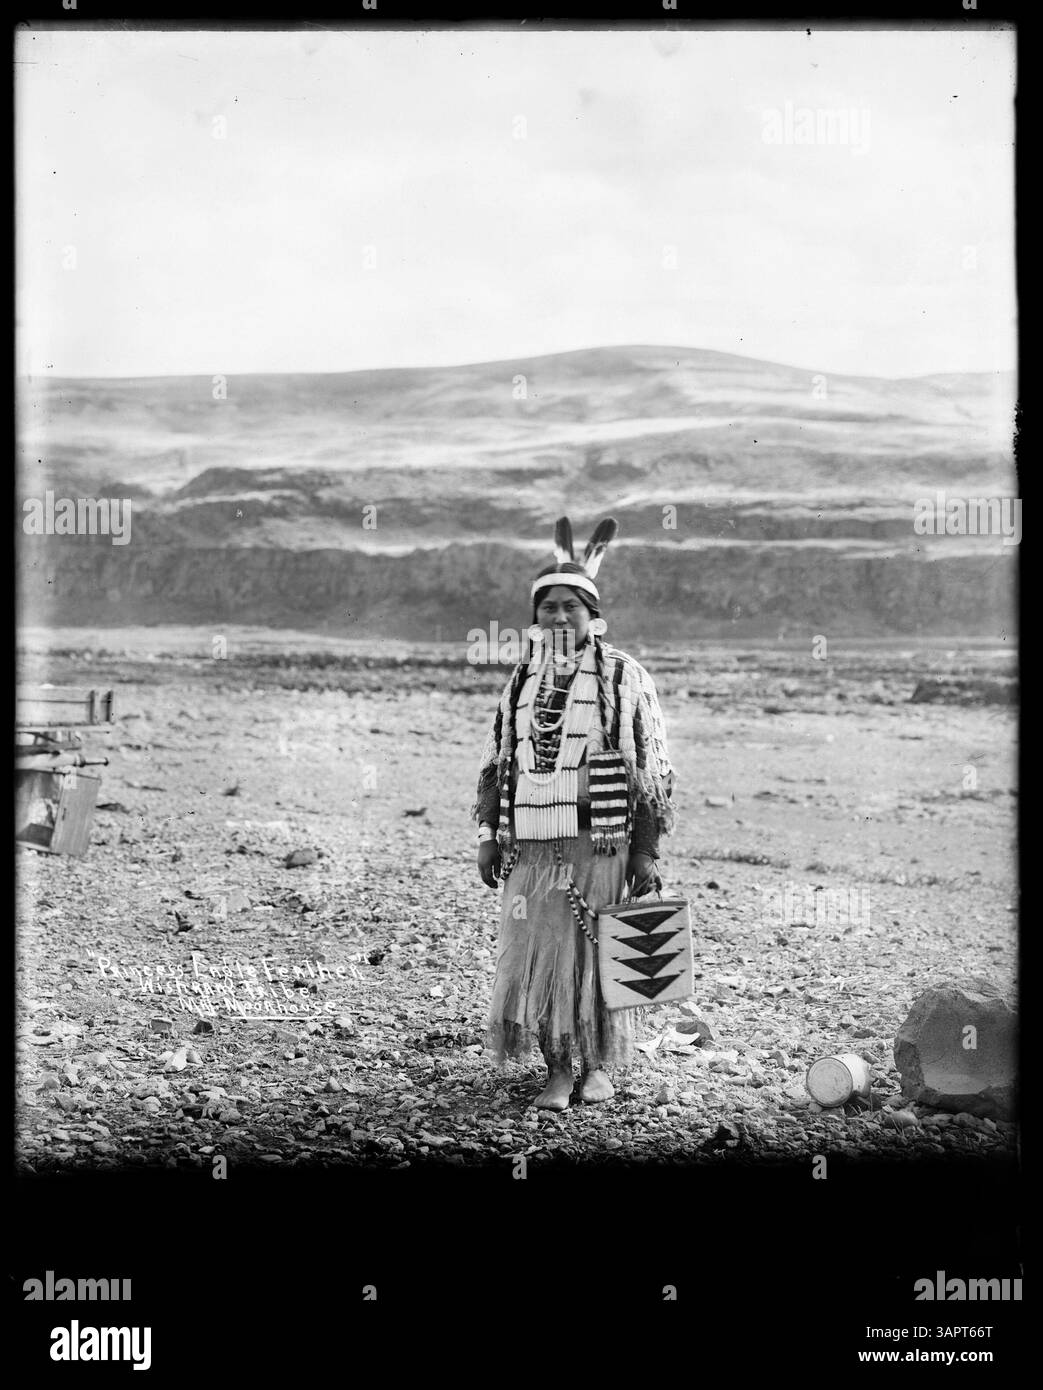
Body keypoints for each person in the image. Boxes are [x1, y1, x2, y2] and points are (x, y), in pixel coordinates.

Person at [472, 516, 676, 1110]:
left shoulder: (624, 677)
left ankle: (599, 1069)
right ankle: (557, 1070)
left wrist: (645, 850)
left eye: (571, 607)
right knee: (536, 958)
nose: (559, 618)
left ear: (593, 615)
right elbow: (497, 761)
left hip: (601, 842)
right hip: (531, 847)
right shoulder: (519, 683)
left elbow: (651, 773)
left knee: (599, 955)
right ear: (536, 617)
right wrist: (488, 833)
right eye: (549, 607)